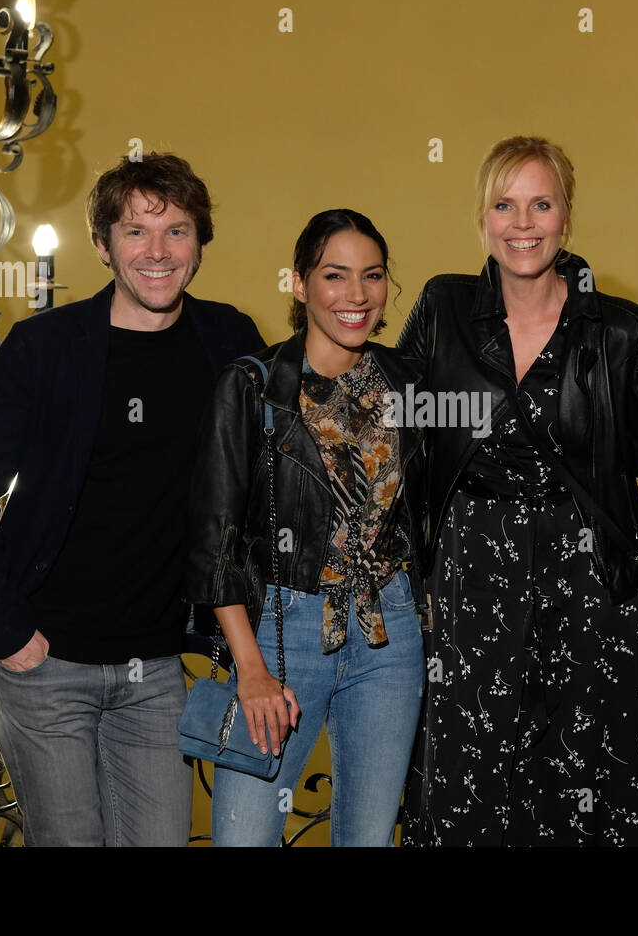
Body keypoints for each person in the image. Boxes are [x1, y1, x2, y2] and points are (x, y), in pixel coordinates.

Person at [0, 152, 264, 846]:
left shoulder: (227, 339)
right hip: (44, 664)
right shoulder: (45, 347)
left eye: (176, 231)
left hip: (156, 669)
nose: (157, 251)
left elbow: (272, 465)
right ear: (102, 246)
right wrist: (7, 632)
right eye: (135, 231)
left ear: (200, 244)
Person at [397, 136, 638, 846]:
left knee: (592, 776)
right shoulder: (444, 306)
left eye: (541, 203)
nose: (524, 222)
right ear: (482, 219)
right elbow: (390, 425)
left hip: (590, 581)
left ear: (567, 217)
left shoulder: (622, 332)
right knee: (469, 776)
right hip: (472, 573)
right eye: (505, 205)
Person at [186, 209, 426, 847]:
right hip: (279, 634)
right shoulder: (252, 386)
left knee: (368, 839)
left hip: (389, 633)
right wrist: (250, 668)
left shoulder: (408, 383)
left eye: (372, 277)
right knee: (243, 837)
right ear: (299, 285)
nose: (357, 295)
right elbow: (214, 543)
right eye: (335, 276)